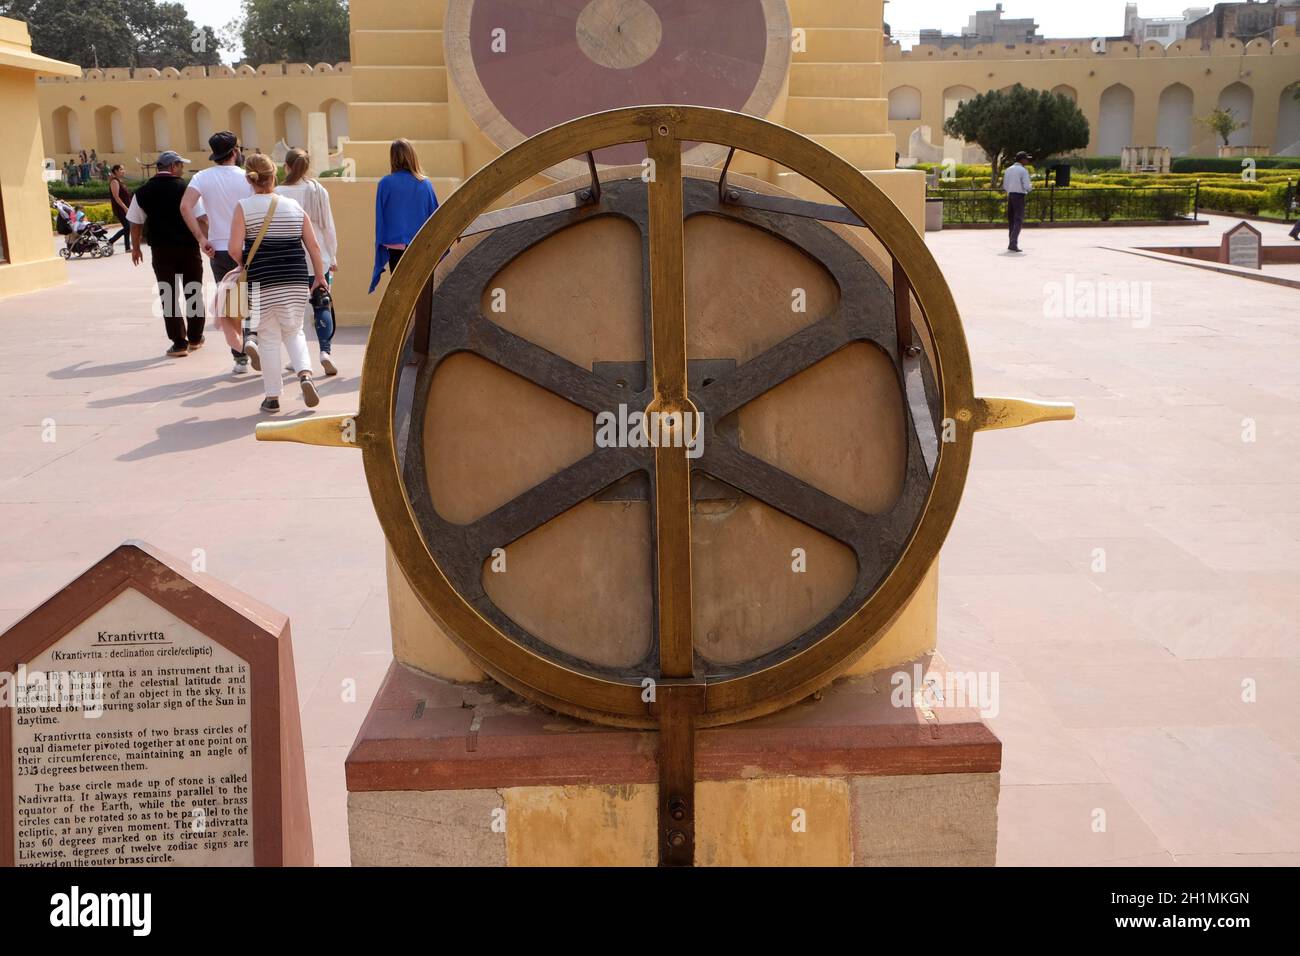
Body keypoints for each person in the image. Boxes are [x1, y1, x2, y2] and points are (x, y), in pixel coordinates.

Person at [229, 153, 328, 413]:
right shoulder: (293, 206)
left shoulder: (244, 206)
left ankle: (272, 398)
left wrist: (245, 263)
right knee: (295, 331)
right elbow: (314, 246)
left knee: (269, 338)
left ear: (250, 179)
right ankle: (305, 375)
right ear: (274, 175)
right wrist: (319, 277)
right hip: (295, 279)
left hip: (263, 280)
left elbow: (232, 248)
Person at [182, 131, 255, 375]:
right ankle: (255, 342)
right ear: (235, 151)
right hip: (248, 248)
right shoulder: (248, 177)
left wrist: (201, 238)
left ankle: (240, 357)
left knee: (230, 304)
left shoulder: (202, 177)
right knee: (254, 300)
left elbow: (185, 206)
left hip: (220, 250)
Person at [125, 151, 207, 358]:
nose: (182, 169)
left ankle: (179, 342)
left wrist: (135, 248)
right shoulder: (186, 189)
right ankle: (196, 338)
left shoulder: (142, 192)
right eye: (180, 165)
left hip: (161, 250)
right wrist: (206, 241)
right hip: (188, 248)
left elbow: (135, 224)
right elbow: (202, 219)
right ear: (172, 167)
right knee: (193, 292)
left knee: (168, 296)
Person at [276, 147, 340, 375]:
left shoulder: (277, 193)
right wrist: (332, 255)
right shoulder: (318, 190)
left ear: (286, 166)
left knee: (295, 312)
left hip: (289, 260)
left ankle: (297, 358)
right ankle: (325, 351)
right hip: (318, 256)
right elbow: (328, 226)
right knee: (321, 303)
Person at [369, 138, 439, 293]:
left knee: (401, 293)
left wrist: (380, 248)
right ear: (412, 156)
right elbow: (435, 217)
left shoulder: (385, 183)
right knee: (421, 293)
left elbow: (381, 220)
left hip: (396, 249)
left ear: (392, 157)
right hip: (421, 247)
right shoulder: (425, 184)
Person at [1002, 151, 1032, 253]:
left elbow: (1005, 185)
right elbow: (1027, 185)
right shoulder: (1023, 171)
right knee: (1018, 219)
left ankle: (1011, 241)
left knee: (1011, 220)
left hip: (1010, 195)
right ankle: (1013, 243)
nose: (1027, 161)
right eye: (1026, 159)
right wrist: (1029, 190)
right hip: (1019, 196)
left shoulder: (1008, 169)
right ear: (1022, 160)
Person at [107, 164, 132, 252]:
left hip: (125, 208)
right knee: (127, 227)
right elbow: (116, 197)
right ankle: (111, 241)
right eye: (121, 169)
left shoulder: (119, 181)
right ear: (116, 171)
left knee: (127, 227)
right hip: (120, 209)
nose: (123, 171)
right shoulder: (114, 181)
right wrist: (125, 208)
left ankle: (127, 248)